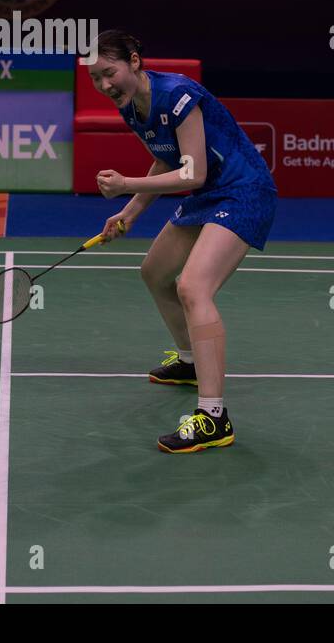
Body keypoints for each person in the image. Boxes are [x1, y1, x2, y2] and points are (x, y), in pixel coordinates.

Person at [87, 30, 277, 453]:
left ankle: (213, 417)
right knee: (154, 273)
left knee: (193, 286)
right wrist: (131, 211)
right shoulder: (133, 109)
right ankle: (190, 362)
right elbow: (168, 158)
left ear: (134, 61)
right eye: (95, 79)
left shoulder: (177, 96)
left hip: (243, 191)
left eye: (109, 72)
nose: (104, 86)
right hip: (209, 195)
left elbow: (194, 173)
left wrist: (124, 185)